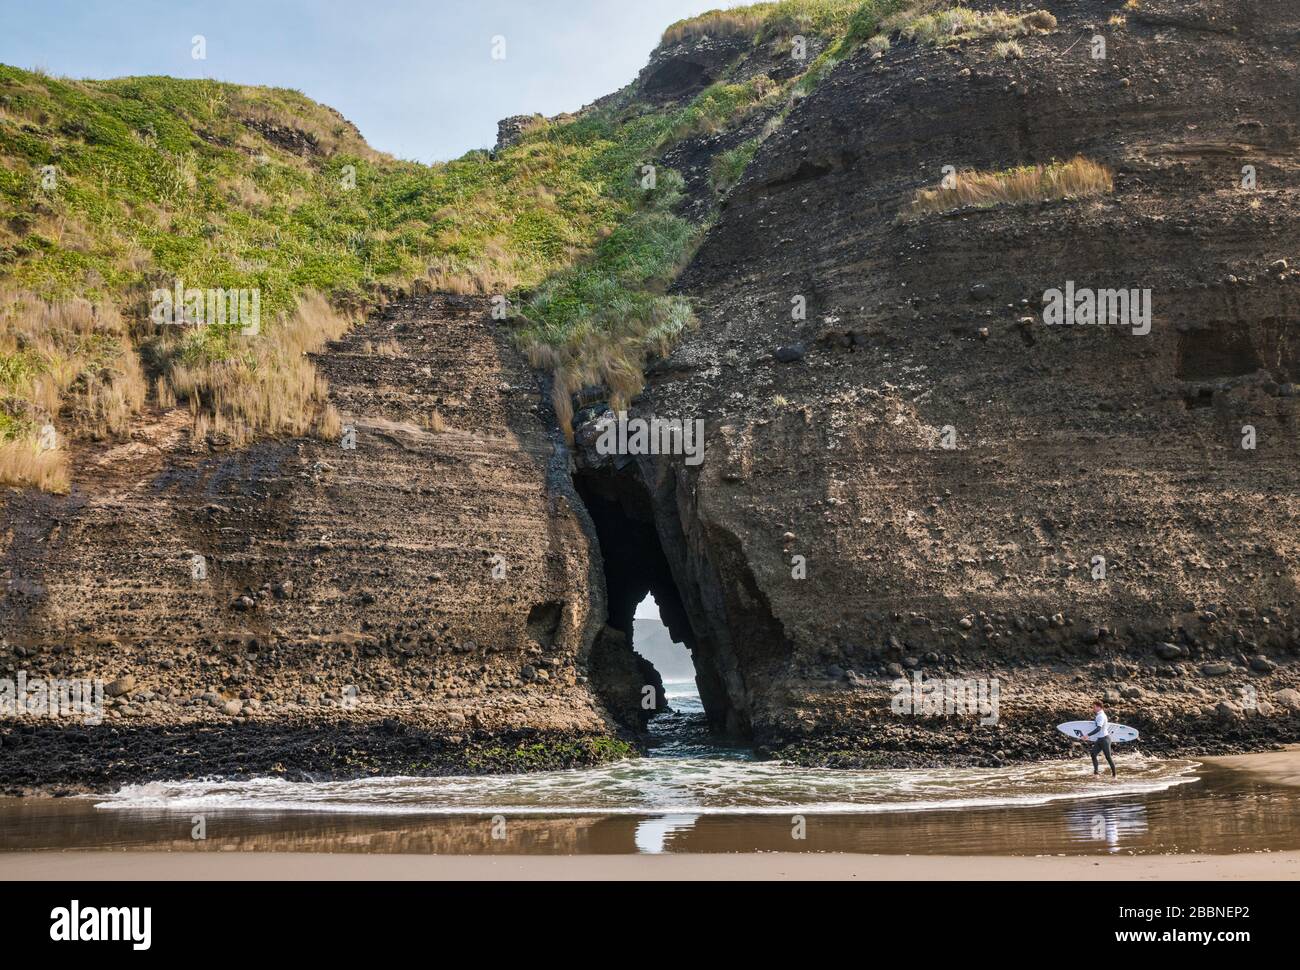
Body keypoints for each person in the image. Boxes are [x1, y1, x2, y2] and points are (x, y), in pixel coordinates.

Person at [1082, 700, 1116, 778]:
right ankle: (1096, 773)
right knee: (1093, 754)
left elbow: (1098, 729)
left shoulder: (1101, 716)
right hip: (1100, 739)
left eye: (1094, 707)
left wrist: (1087, 735)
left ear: (1099, 707)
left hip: (1105, 739)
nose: (1093, 708)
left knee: (1108, 757)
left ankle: (1114, 775)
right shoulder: (1099, 715)